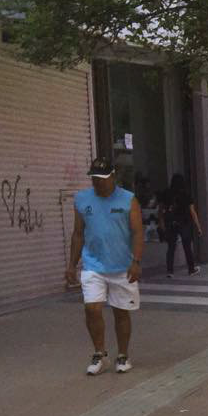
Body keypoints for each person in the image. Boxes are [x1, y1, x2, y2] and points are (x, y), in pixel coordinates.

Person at [66, 157, 145, 375]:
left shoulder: (128, 200)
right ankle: (99, 354)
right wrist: (72, 265)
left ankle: (123, 355)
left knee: (121, 313)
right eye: (94, 179)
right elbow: (78, 233)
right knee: (92, 309)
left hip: (122, 266)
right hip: (93, 265)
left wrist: (136, 261)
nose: (98, 183)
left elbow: (138, 232)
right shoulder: (82, 199)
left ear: (113, 176)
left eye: (102, 178)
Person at [160, 173, 203, 277]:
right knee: (187, 246)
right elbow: (192, 212)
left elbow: (161, 210)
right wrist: (198, 227)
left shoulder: (166, 193)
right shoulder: (186, 194)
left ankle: (170, 271)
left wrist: (162, 224)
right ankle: (191, 269)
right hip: (184, 223)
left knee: (171, 247)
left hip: (171, 223)